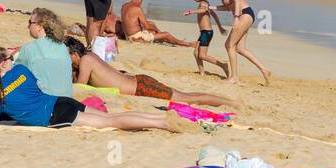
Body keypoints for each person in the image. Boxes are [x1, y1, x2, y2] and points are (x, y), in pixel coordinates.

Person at [0, 48, 195, 133]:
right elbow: (34, 88)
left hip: (56, 115)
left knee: (112, 123)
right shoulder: (22, 71)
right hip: (61, 102)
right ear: (3, 64)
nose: (13, 60)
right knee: (113, 117)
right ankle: (159, 117)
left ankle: (162, 123)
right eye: (9, 58)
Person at [66, 37, 233, 108]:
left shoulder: (86, 61)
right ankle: (227, 101)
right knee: (186, 96)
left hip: (141, 88)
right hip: (139, 82)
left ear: (74, 54)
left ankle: (232, 103)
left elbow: (81, 88)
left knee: (187, 99)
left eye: (68, 57)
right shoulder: (90, 55)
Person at [204, 0, 271, 85]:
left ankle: (234, 78)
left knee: (229, 45)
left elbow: (236, 1)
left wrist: (235, 18)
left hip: (244, 14)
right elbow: (228, 7)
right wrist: (210, 7)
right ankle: (264, 70)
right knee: (240, 48)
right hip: (244, 14)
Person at [10, 7, 74, 95]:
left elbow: (15, 77)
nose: (28, 26)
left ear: (39, 26)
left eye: (30, 22)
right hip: (67, 100)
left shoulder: (29, 48)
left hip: (44, 103)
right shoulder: (63, 47)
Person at [182, 0, 230, 76]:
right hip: (204, 32)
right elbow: (214, 15)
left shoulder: (203, 4)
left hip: (206, 33)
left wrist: (190, 12)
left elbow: (203, 10)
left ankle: (223, 65)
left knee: (202, 55)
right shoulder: (206, 3)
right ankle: (202, 73)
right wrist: (220, 27)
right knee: (196, 53)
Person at [120, 0, 192, 46]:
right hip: (137, 38)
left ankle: (163, 37)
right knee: (166, 34)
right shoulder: (137, 9)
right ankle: (185, 44)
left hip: (128, 36)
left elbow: (130, 22)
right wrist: (157, 29)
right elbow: (147, 26)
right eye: (142, 0)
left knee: (152, 23)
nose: (141, 2)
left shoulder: (124, 6)